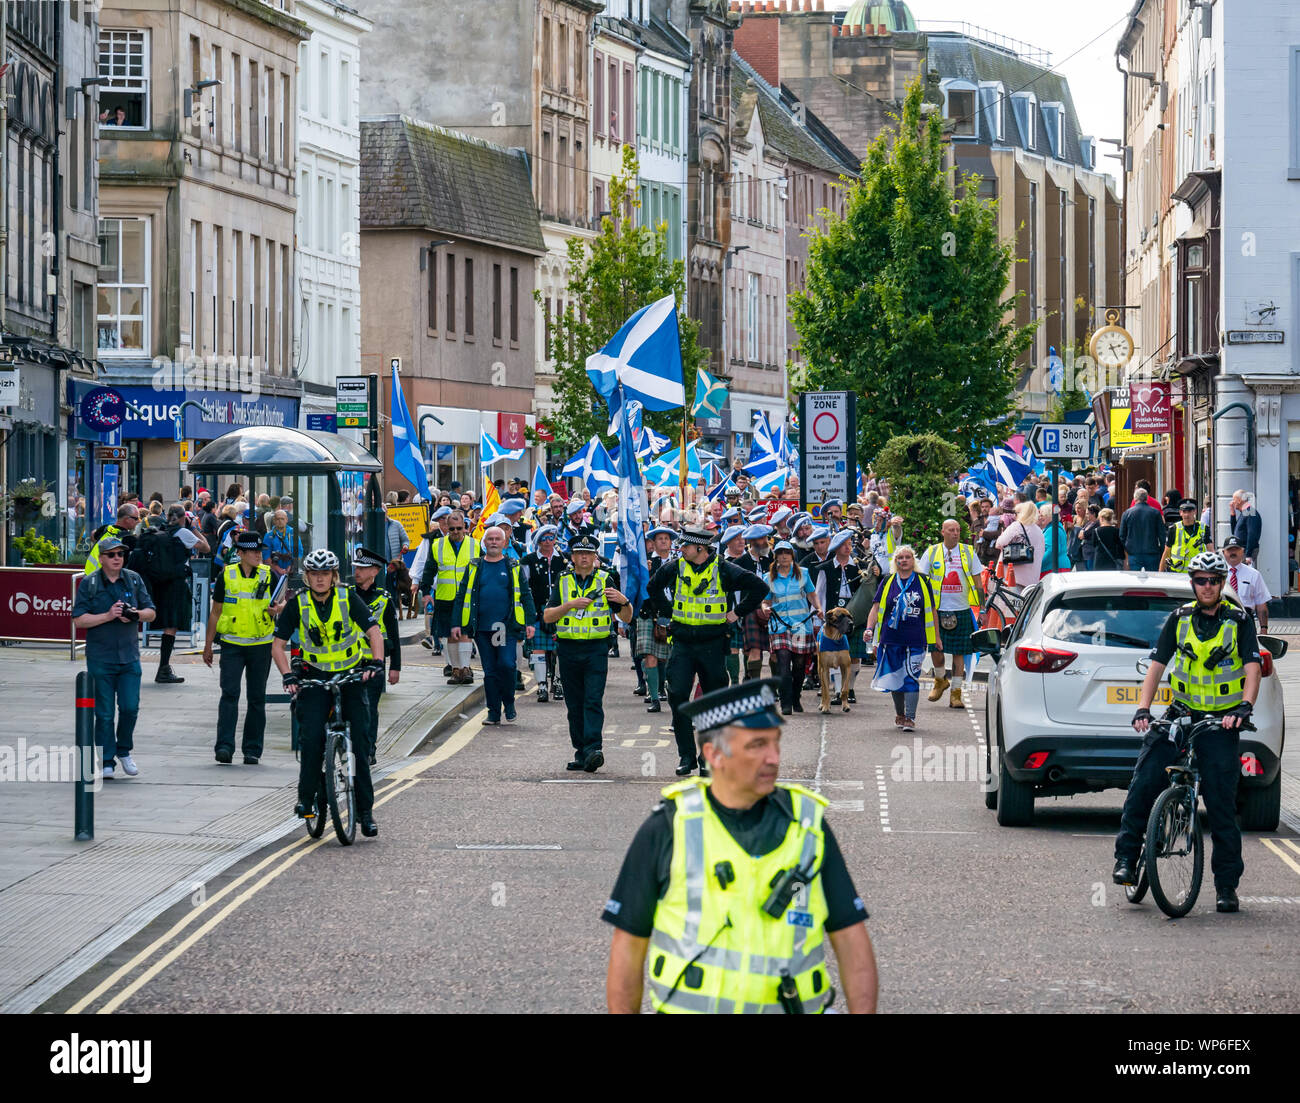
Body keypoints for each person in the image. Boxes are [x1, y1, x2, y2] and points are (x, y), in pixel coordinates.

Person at [602, 678, 878, 1014]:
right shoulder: (668, 828)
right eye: (757, 745)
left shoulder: (809, 826)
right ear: (713, 754)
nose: (773, 758)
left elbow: (850, 939)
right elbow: (628, 949)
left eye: (775, 743)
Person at [1112, 551, 1261, 913]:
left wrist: (1244, 707)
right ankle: (1127, 859)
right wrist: (1144, 709)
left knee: (1222, 805)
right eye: (1200, 580)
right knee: (1145, 780)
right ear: (1192, 583)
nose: (1207, 586)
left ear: (1222, 584)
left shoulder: (1239, 621)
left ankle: (1226, 886)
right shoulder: (1178, 620)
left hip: (1221, 720)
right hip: (1181, 714)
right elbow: (1157, 666)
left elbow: (1252, 665)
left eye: (1213, 580)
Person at [272, 548, 385, 835]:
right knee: (310, 742)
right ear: (307, 577)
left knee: (359, 746)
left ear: (334, 576)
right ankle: (306, 798)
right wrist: (288, 675)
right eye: (314, 574)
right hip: (314, 679)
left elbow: (373, 632)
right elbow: (278, 645)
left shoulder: (348, 598)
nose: (320, 579)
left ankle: (365, 812)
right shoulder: (299, 604)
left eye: (325, 574)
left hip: (349, 677)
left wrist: (377, 663)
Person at [647, 528, 770, 777]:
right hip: (682, 642)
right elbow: (653, 587)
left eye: (685, 546)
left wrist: (736, 613)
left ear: (700, 549)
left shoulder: (723, 568)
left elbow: (759, 588)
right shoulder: (674, 567)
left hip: (713, 644)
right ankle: (686, 755)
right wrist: (668, 613)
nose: (680, 549)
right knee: (678, 694)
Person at [543, 533, 633, 771]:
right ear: (572, 557)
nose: (584, 558)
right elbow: (547, 616)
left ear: (595, 557)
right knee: (574, 704)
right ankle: (581, 751)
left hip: (596, 649)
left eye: (589, 554)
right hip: (568, 649)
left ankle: (594, 749)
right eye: (579, 554)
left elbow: (627, 617)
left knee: (592, 700)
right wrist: (569, 605)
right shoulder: (562, 581)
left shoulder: (606, 580)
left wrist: (624, 602)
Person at [71, 537, 157, 779]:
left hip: (129, 657)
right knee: (105, 713)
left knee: (130, 708)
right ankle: (107, 760)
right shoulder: (89, 584)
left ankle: (124, 750)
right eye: (111, 554)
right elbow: (79, 620)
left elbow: (151, 612)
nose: (117, 558)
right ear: (101, 559)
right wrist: (108, 616)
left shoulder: (133, 579)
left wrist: (135, 614)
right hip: (101, 657)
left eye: (120, 554)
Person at [203, 530, 285, 764]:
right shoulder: (226, 576)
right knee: (229, 695)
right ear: (240, 553)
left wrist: (277, 609)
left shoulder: (269, 575)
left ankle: (252, 749)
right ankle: (225, 747)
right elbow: (215, 612)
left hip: (261, 644)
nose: (259, 555)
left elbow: (284, 601)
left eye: (260, 551)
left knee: (257, 698)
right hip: (232, 645)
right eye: (254, 552)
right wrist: (208, 646)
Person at [453, 527, 536, 725]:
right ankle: (493, 711)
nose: (493, 542)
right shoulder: (474, 566)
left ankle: (509, 703)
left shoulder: (512, 566)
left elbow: (525, 594)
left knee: (506, 665)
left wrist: (530, 622)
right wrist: (456, 623)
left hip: (504, 627)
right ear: (484, 542)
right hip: (481, 628)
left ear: (504, 543)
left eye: (497, 539)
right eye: (489, 539)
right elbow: (461, 595)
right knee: (490, 671)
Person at [865, 545, 943, 733]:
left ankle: (910, 717)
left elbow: (932, 611)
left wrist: (937, 638)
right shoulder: (888, 581)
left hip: (916, 638)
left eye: (907, 557)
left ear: (913, 560)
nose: (904, 560)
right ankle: (900, 714)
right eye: (900, 558)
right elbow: (876, 608)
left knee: (910, 676)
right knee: (895, 679)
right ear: (895, 561)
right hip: (891, 638)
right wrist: (869, 629)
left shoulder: (923, 581)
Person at [134, 504, 208, 683]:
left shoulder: (161, 531)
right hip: (175, 584)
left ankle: (164, 667)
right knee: (171, 626)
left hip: (160, 582)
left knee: (167, 623)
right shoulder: (184, 533)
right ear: (183, 517)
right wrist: (193, 528)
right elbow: (206, 548)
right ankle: (163, 668)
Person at [918, 520, 983, 709]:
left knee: (959, 653)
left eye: (958, 530)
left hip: (961, 608)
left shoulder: (968, 552)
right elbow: (922, 579)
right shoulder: (931, 552)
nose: (955, 533)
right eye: (951, 530)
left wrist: (983, 608)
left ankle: (956, 694)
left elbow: (978, 582)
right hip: (936, 609)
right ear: (943, 532)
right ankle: (940, 680)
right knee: (936, 649)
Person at [351, 547, 403, 764]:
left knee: (370, 708)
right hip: (349, 662)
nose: (357, 572)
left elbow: (394, 634)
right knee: (352, 710)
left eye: (362, 568)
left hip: (374, 663)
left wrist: (395, 667)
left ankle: (368, 750)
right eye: (356, 567)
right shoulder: (347, 596)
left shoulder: (383, 599)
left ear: (374, 571)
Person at [419, 510, 480, 684]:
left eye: (459, 528)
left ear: (465, 527)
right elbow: (429, 569)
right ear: (446, 527)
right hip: (445, 596)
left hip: (467, 597)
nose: (455, 532)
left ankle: (466, 668)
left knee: (465, 633)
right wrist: (425, 592)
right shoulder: (437, 544)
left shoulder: (474, 544)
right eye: (452, 529)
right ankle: (455, 669)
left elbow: (482, 570)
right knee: (449, 635)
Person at [763, 541, 823, 715]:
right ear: (776, 556)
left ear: (792, 555)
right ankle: (785, 703)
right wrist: (765, 608)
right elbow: (765, 600)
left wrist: (818, 608)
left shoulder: (802, 573)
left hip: (801, 625)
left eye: (787, 553)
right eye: (780, 552)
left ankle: (796, 697)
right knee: (783, 663)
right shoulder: (769, 577)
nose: (783, 556)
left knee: (798, 666)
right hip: (779, 626)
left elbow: (812, 594)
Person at [815, 530, 869, 702]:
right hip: (834, 619)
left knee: (854, 655)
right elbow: (819, 593)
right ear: (836, 548)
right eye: (844, 545)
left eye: (849, 544)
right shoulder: (825, 568)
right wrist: (818, 616)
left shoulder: (860, 567)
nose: (848, 547)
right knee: (835, 652)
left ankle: (849, 688)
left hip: (855, 616)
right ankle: (839, 691)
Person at [522, 525, 569, 702]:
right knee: (538, 648)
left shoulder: (564, 561)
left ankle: (557, 682)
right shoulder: (528, 561)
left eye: (551, 538)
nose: (548, 542)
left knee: (559, 648)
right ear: (538, 542)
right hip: (537, 609)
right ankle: (541, 685)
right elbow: (524, 587)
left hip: (560, 609)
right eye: (544, 539)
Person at [634, 526, 677, 712]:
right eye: (659, 539)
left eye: (666, 538)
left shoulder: (679, 564)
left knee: (666, 658)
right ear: (653, 543)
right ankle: (654, 698)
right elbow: (636, 589)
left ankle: (662, 688)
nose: (663, 541)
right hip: (648, 614)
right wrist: (645, 574)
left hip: (672, 615)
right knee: (650, 656)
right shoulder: (646, 564)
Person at [995, 501, 1045, 590]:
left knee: (1010, 603)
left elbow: (999, 544)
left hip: (1013, 576)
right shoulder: (1039, 531)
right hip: (1032, 577)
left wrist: (1002, 535)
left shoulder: (1016, 526)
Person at [1222, 537, 1271, 628]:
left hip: (1246, 621)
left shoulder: (1254, 574)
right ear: (1223, 552)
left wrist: (1264, 629)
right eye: (1229, 550)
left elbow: (1261, 605)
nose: (1233, 553)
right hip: (1222, 620)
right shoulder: (1218, 574)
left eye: (1236, 549)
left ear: (1242, 551)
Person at [85, 502, 142, 574]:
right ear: (127, 519)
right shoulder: (129, 540)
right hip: (105, 580)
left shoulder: (105, 529)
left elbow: (93, 535)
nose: (138, 521)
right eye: (136, 518)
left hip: (89, 575)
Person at [1160, 498, 1213, 573]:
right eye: (1184, 511)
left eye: (1190, 511)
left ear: (1195, 511)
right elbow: (1166, 553)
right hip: (1177, 573)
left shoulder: (1204, 528)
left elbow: (1211, 551)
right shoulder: (1174, 529)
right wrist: (1160, 574)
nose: (1187, 515)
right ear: (1180, 512)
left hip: (1197, 573)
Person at [1119, 487, 1165, 571]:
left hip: (1134, 553)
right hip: (1152, 552)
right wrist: (1161, 551)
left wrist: (1127, 549)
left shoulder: (1127, 513)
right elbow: (1162, 534)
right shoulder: (1155, 513)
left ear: (1135, 498)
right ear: (1146, 498)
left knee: (1136, 581)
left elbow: (1122, 536)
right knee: (1152, 579)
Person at [1038, 503, 1071, 576]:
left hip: (1054, 568)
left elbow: (1051, 551)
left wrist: (1038, 565)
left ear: (1049, 516)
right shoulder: (1056, 527)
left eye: (1042, 515)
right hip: (1060, 566)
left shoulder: (1052, 529)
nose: (1040, 518)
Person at [1231, 490, 1262, 562]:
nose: (1232, 502)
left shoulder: (1250, 512)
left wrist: (1248, 555)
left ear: (1239, 500)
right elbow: (1234, 531)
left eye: (1234, 499)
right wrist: (1232, 513)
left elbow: (1252, 534)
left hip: (1245, 551)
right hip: (1241, 551)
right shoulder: (1244, 512)